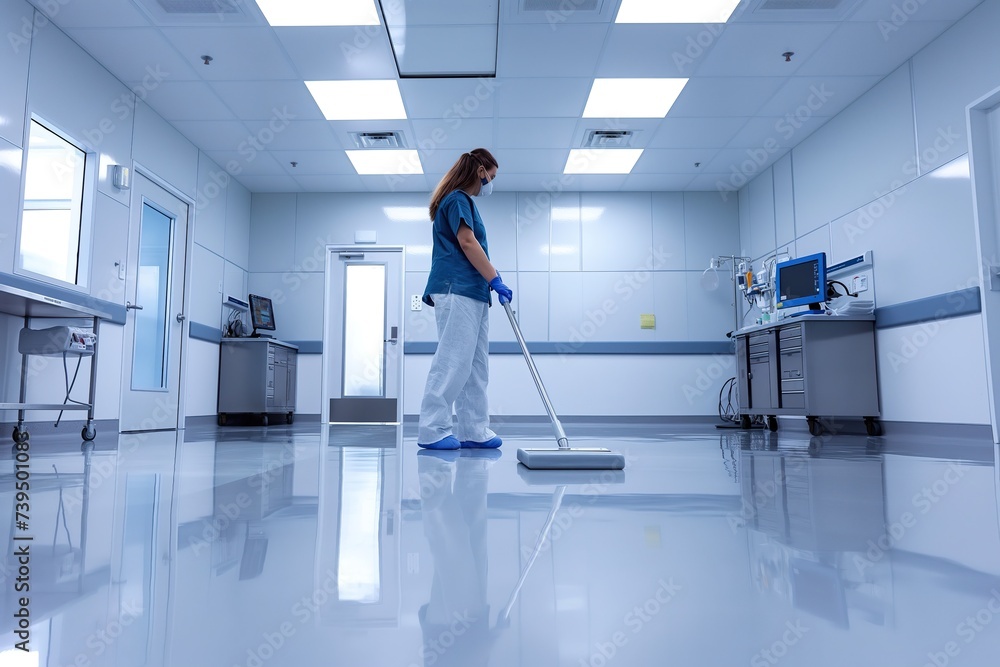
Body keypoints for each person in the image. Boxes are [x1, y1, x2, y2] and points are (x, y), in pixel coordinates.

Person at [417, 148, 512, 450]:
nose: (490, 183)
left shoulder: (463, 201)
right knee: (454, 360)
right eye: (491, 177)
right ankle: (432, 429)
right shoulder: (458, 198)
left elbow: (471, 245)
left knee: (475, 366)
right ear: (480, 171)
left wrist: (490, 279)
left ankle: (473, 429)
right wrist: (493, 277)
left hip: (473, 291)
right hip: (456, 287)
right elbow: (467, 242)